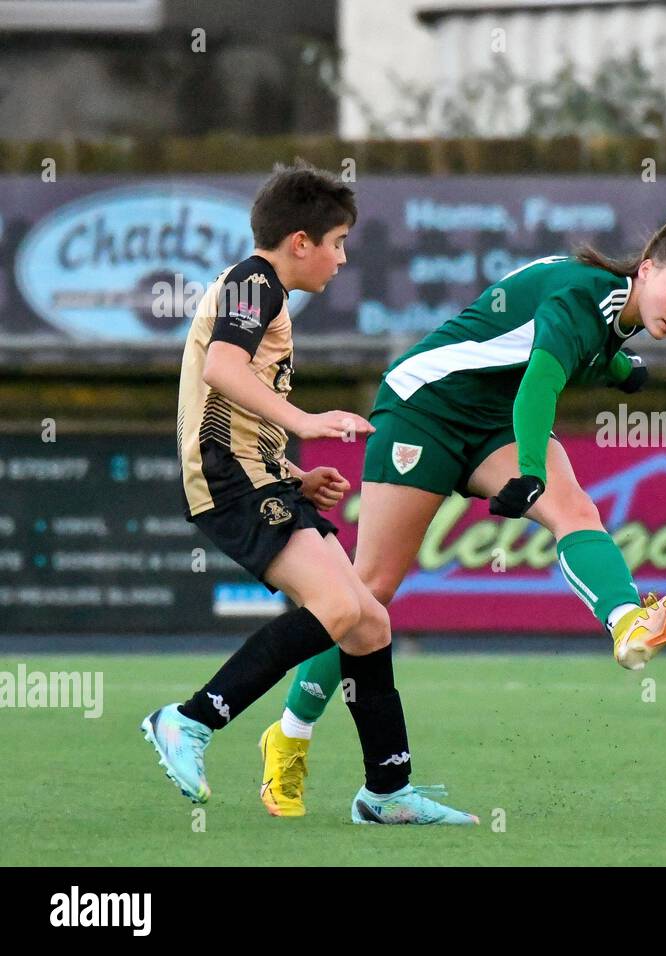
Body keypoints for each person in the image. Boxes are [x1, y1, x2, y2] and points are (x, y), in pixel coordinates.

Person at [257, 212, 666, 817]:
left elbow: (573, 349)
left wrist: (619, 370)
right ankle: (289, 737)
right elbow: (540, 381)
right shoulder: (583, 295)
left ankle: (627, 622)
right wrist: (529, 469)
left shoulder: (617, 311)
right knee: (367, 593)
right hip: (423, 409)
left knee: (576, 511)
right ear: (646, 270)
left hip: (489, 423)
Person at [142, 160, 476, 825]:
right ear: (301, 241)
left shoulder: (266, 294)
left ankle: (385, 793)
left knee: (367, 619)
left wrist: (295, 472)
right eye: (339, 241)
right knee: (336, 606)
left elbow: (235, 401)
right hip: (228, 477)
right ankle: (189, 720)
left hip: (256, 472)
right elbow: (221, 368)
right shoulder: (252, 281)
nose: (343, 257)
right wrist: (306, 424)